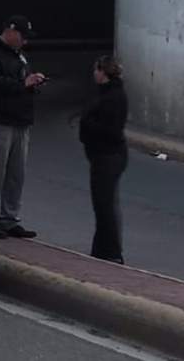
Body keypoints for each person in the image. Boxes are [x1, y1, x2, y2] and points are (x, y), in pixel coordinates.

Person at [0, 15, 45, 239]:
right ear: (10, 31)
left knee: (16, 174)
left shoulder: (18, 56)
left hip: (19, 122)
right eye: (22, 36)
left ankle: (9, 218)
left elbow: (19, 80)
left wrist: (32, 83)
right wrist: (23, 84)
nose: (25, 42)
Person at [78, 55, 128, 264]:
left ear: (102, 72)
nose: (93, 74)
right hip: (103, 155)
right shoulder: (107, 94)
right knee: (103, 204)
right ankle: (101, 249)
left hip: (108, 156)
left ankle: (112, 252)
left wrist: (88, 125)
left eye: (96, 70)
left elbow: (112, 130)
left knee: (105, 204)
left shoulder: (113, 97)